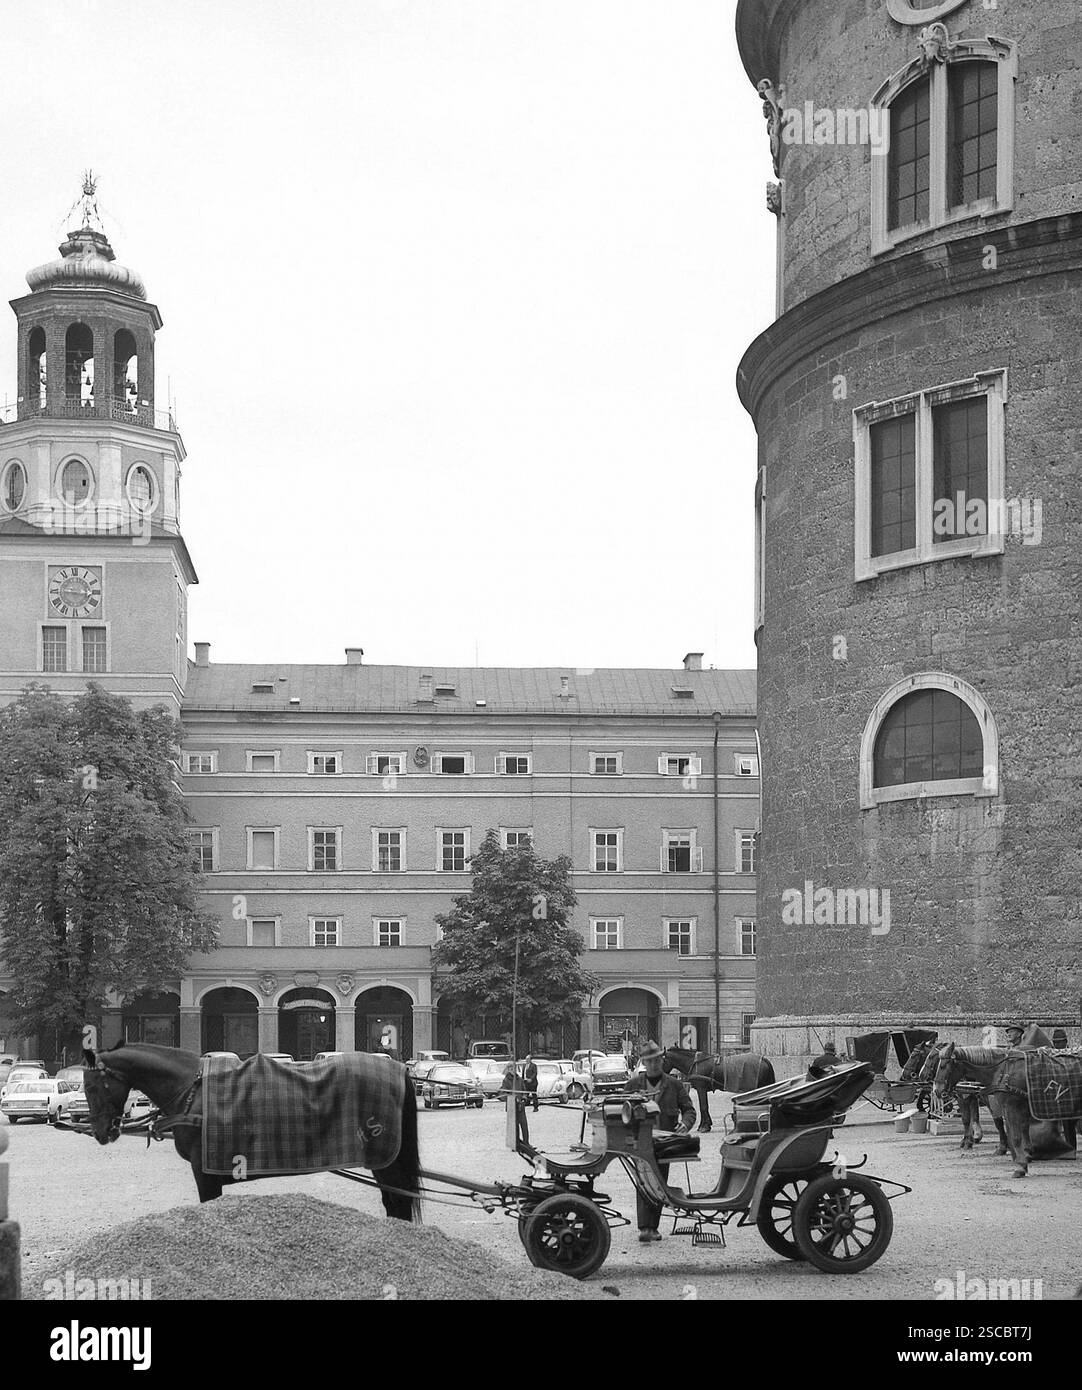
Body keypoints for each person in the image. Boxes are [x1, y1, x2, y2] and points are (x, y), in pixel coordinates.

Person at [625, 1040, 696, 1243]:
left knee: (659, 1182)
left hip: (665, 1143)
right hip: (641, 1143)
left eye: (657, 1060)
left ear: (661, 1060)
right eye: (649, 1061)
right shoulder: (633, 1085)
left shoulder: (674, 1085)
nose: (654, 1065)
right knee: (644, 1182)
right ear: (644, 1063)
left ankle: (652, 1226)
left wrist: (685, 1124)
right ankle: (645, 1228)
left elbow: (689, 1110)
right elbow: (621, 1111)